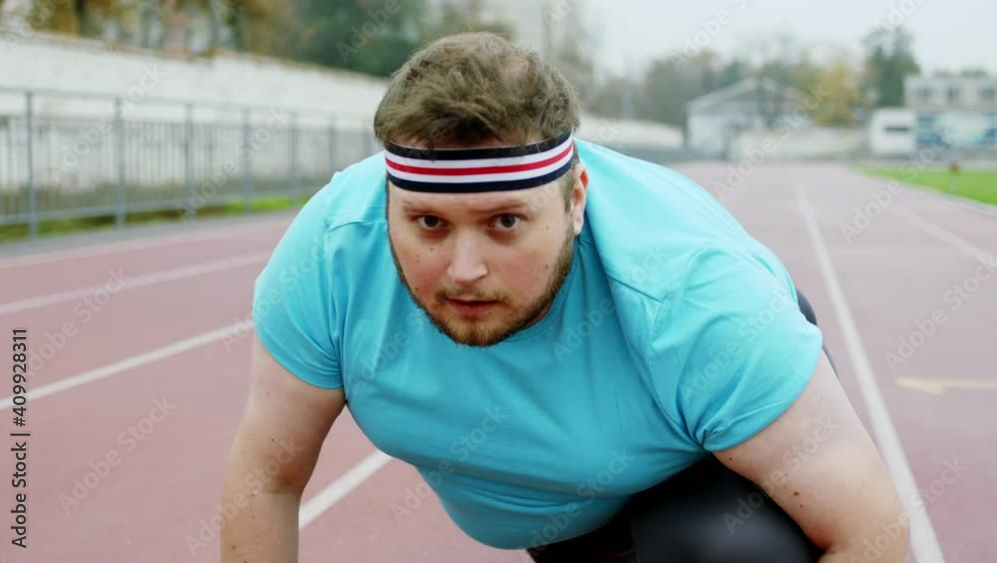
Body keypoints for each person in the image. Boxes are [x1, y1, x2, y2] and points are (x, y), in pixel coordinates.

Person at [220, 32, 908, 563]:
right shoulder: (329, 256)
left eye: (505, 223)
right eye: (428, 223)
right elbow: (268, 476)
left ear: (575, 200)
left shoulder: (699, 300)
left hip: (697, 470)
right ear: (388, 205)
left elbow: (873, 533)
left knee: (724, 550)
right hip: (568, 520)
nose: (464, 270)